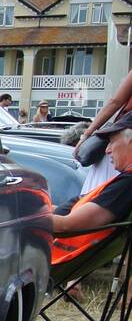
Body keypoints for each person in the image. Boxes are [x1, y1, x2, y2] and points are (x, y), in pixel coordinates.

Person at [48, 111, 132, 260]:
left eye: (112, 142)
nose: (107, 150)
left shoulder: (127, 184)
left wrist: (22, 217)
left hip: (53, 252)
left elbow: (67, 225)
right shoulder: (124, 181)